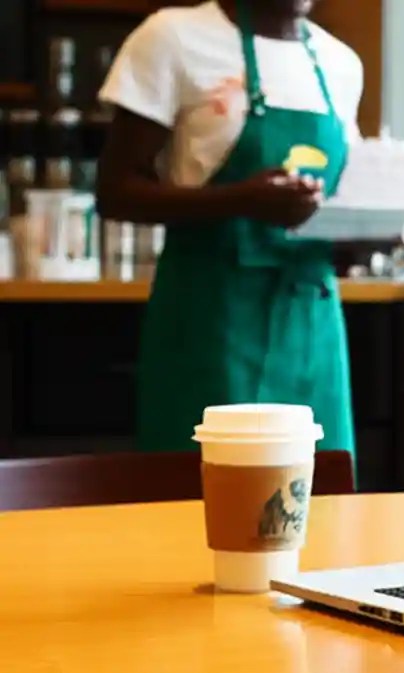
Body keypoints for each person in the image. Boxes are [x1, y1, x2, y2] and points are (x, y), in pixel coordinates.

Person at [94, 0, 363, 456]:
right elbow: (116, 190)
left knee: (321, 500)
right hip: (210, 319)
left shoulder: (340, 64)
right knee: (199, 497)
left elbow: (336, 198)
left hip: (311, 324)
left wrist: (361, 235)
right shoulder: (173, 38)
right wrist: (239, 201)